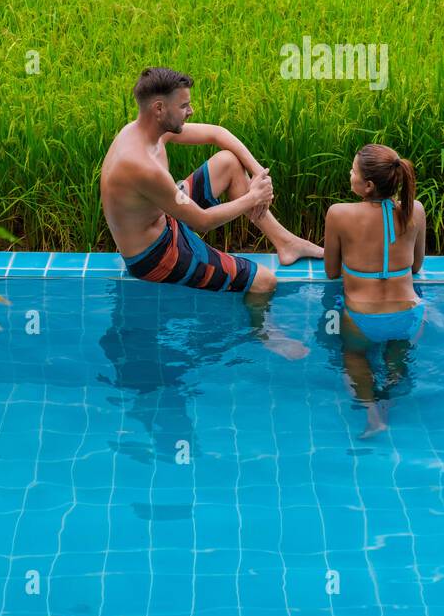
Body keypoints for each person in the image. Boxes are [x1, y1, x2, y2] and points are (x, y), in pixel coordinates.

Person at [101, 67, 322, 295]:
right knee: (265, 282)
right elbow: (202, 221)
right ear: (159, 108)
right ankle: (251, 330)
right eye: (184, 106)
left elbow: (217, 134)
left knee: (228, 163)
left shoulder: (144, 130)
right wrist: (254, 196)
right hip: (156, 254)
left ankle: (286, 242)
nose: (191, 111)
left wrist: (258, 173)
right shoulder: (143, 166)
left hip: (164, 216)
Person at [324, 144, 426, 432]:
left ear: (367, 185)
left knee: (354, 356)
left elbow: (331, 272)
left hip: (361, 318)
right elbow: (416, 266)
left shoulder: (338, 214)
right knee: (397, 359)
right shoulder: (415, 210)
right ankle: (389, 401)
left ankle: (372, 414)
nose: (350, 173)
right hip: (409, 314)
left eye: (354, 170)